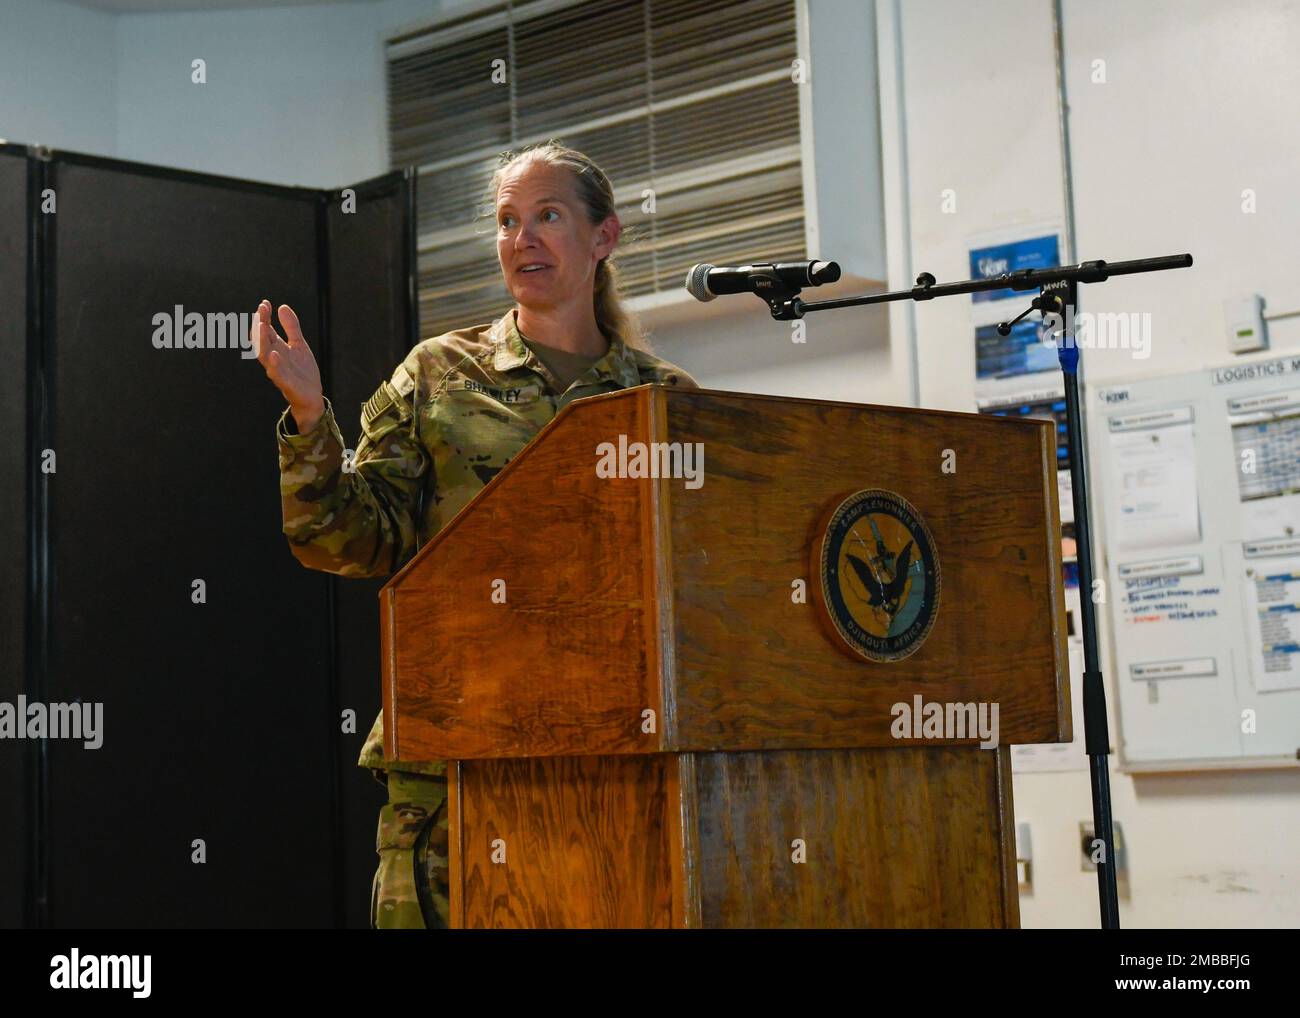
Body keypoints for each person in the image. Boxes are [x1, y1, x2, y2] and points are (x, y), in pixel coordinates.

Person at [254, 141, 698, 928]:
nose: (521, 238)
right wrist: (311, 419)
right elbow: (350, 539)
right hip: (458, 770)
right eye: (506, 221)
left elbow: (703, 580)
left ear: (604, 238)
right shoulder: (438, 375)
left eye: (548, 216)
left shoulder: (664, 402)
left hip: (619, 777)